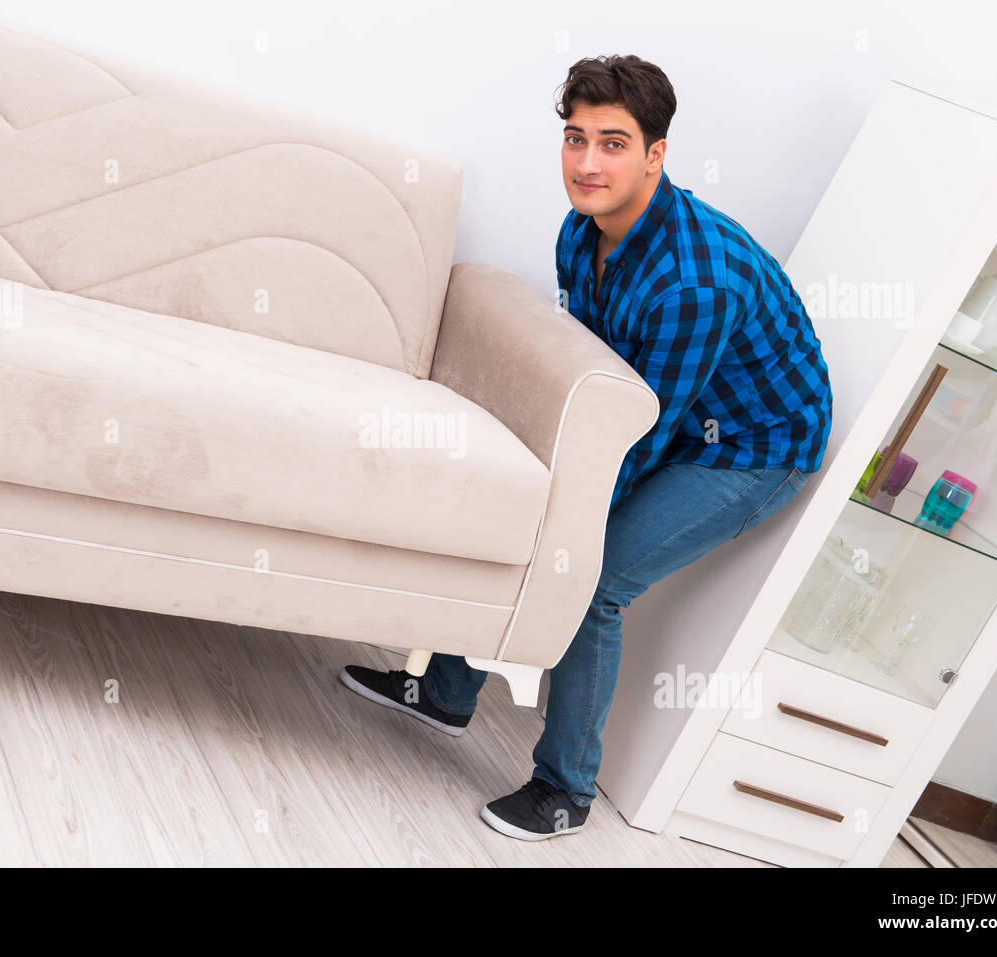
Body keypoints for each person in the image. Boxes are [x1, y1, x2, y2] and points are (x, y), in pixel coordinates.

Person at [341, 54, 833, 841]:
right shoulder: (583, 229)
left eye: (613, 143)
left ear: (656, 155)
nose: (587, 163)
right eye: (576, 138)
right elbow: (600, 373)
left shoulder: (691, 284)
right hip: (669, 412)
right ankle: (446, 695)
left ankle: (566, 788)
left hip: (750, 448)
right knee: (541, 529)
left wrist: (558, 513)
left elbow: (648, 429)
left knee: (589, 572)